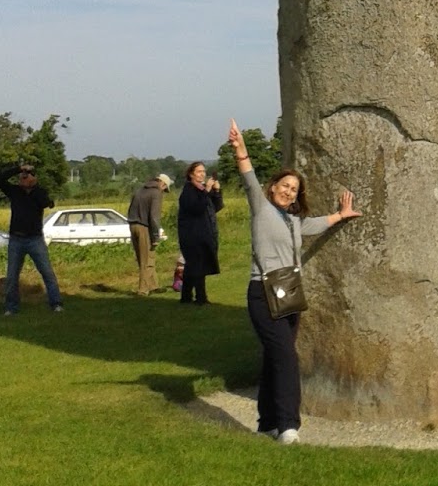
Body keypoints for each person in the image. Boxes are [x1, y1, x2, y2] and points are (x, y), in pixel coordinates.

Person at [228, 119, 361, 445]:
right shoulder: (261, 208)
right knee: (287, 357)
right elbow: (248, 177)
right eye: (285, 185)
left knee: (274, 357)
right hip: (263, 291)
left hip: (289, 291)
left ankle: (267, 423)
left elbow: (312, 225)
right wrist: (240, 149)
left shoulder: (291, 221)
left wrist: (340, 215)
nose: (289, 191)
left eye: (294, 190)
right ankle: (288, 425)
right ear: (273, 187)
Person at [0, 161, 63, 315]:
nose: (23, 178)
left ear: (34, 179)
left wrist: (34, 187)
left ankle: (56, 303)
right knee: (12, 275)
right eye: (22, 176)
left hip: (35, 239)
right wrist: (18, 169)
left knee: (47, 272)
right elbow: (0, 179)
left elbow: (46, 202)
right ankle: (11, 307)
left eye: (26, 176)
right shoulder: (14, 191)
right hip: (16, 239)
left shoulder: (39, 193)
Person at [176, 162, 223, 305]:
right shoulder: (189, 191)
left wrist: (216, 192)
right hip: (192, 235)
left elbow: (215, 207)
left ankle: (186, 297)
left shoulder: (202, 190)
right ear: (191, 174)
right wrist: (207, 190)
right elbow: (197, 208)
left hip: (204, 233)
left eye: (204, 171)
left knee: (193, 266)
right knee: (197, 266)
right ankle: (200, 298)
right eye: (199, 171)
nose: (202, 174)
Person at [126, 172, 171, 295]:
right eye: (165, 188)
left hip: (132, 225)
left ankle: (153, 285)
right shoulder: (156, 193)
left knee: (145, 257)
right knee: (146, 260)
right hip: (144, 227)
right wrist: (155, 236)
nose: (163, 191)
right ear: (162, 183)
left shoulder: (139, 191)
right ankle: (143, 289)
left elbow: (130, 210)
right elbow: (154, 217)